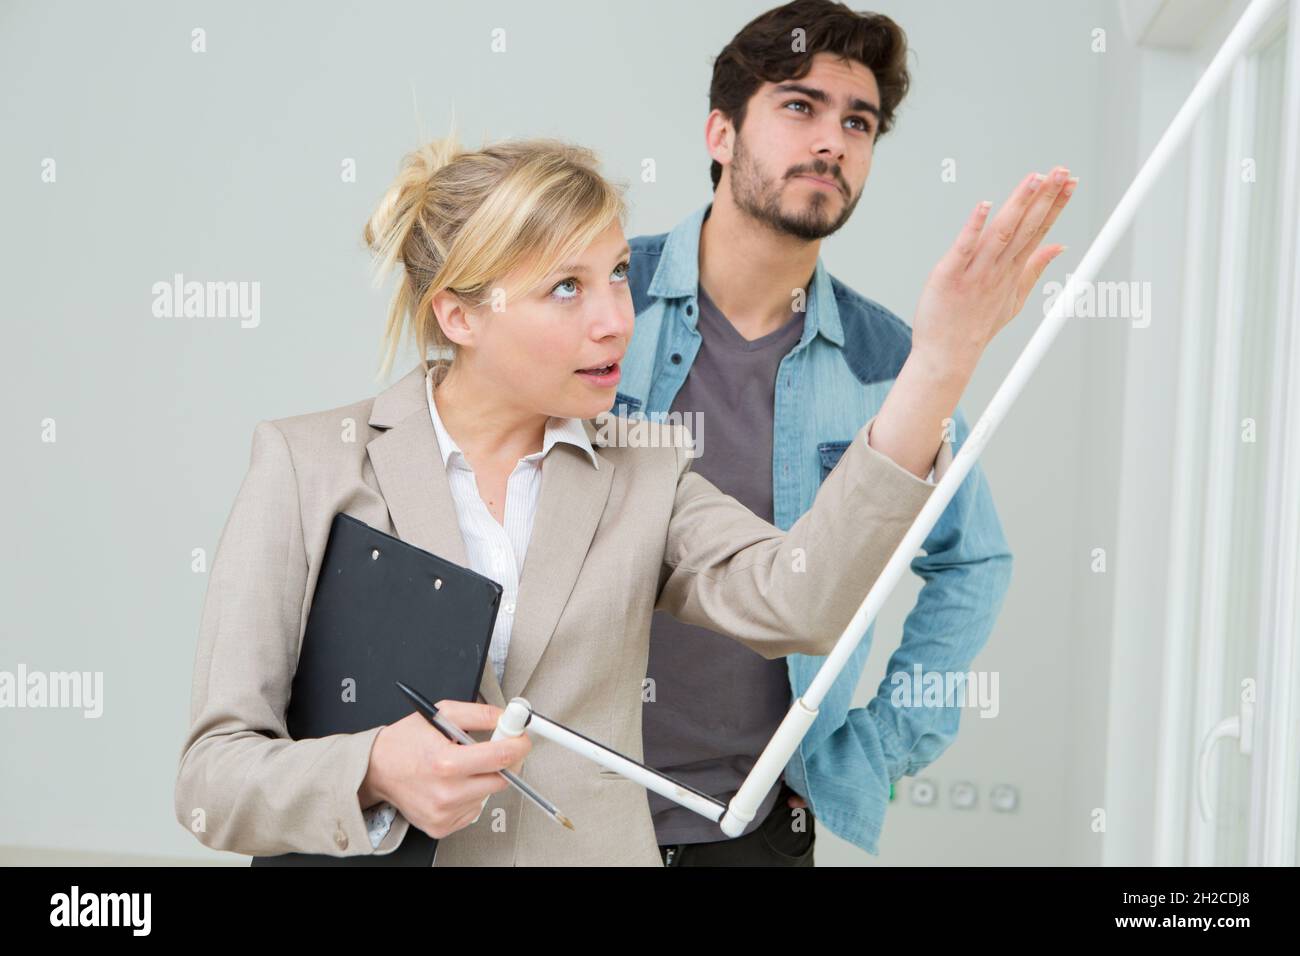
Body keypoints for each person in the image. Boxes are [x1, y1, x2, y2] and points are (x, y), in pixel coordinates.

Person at [173, 130, 1064, 865]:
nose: (614, 319)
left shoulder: (647, 469)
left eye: (616, 276)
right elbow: (211, 780)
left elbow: (805, 600)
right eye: (567, 287)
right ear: (460, 315)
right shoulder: (304, 466)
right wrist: (371, 766)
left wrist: (938, 367)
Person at [620, 0, 1074, 866]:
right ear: (721, 133)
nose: (832, 140)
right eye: (800, 106)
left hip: (750, 825)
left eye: (857, 122)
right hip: (558, 800)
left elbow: (972, 560)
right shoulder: (600, 298)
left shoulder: (893, 362)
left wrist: (875, 747)